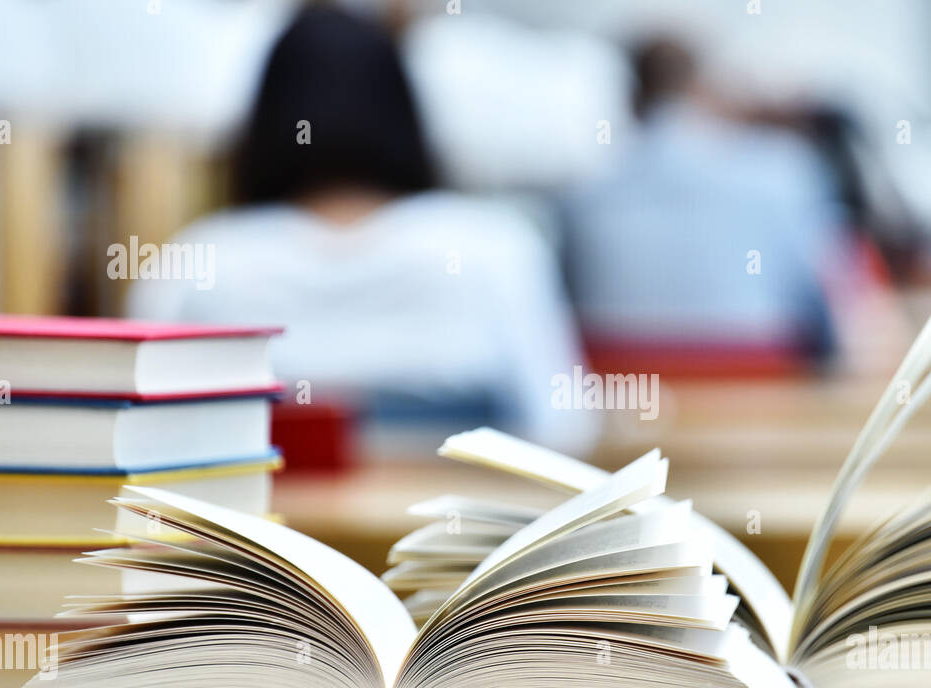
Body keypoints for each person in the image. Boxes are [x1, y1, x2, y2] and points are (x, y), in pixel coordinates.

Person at [128, 6, 594, 455]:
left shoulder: (202, 259)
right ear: (408, 115)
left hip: (249, 531)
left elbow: (135, 428)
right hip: (451, 533)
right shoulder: (494, 248)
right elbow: (566, 430)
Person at [562, 37, 841, 377]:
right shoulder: (779, 168)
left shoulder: (580, 184)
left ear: (628, 95)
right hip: (754, 382)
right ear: (703, 87)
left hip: (621, 390)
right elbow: (819, 299)